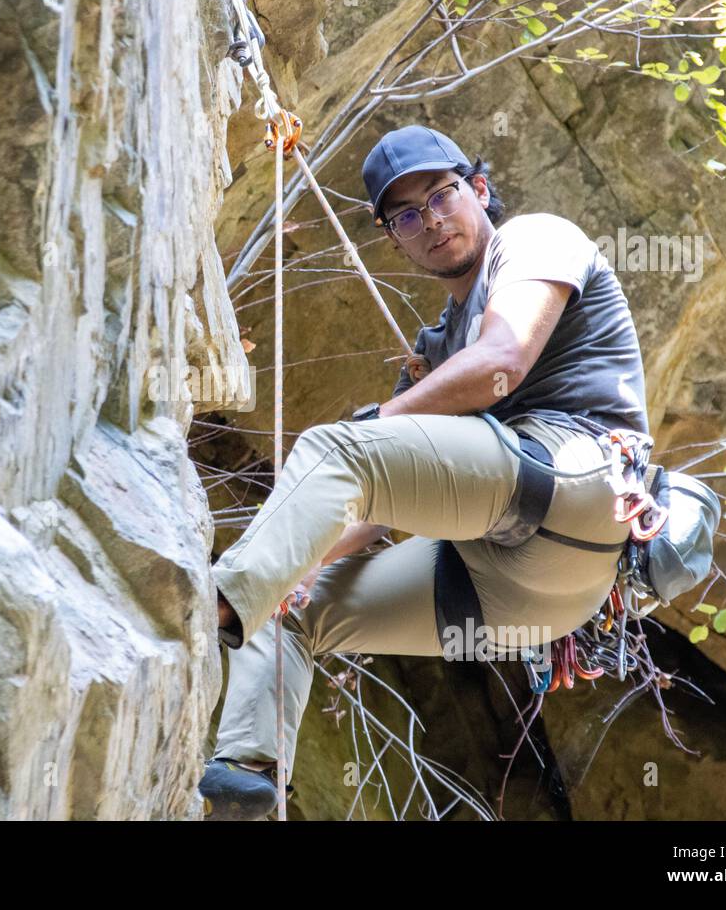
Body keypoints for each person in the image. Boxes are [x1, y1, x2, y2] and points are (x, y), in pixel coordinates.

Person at [199, 125, 650, 820]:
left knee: (337, 448)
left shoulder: (535, 240)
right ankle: (249, 773)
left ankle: (213, 608)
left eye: (441, 195)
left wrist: (383, 420)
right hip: (526, 591)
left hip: (579, 483)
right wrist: (301, 569)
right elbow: (382, 504)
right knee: (287, 606)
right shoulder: (437, 345)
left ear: (479, 190)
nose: (431, 220)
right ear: (394, 239)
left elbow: (502, 360)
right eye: (407, 215)